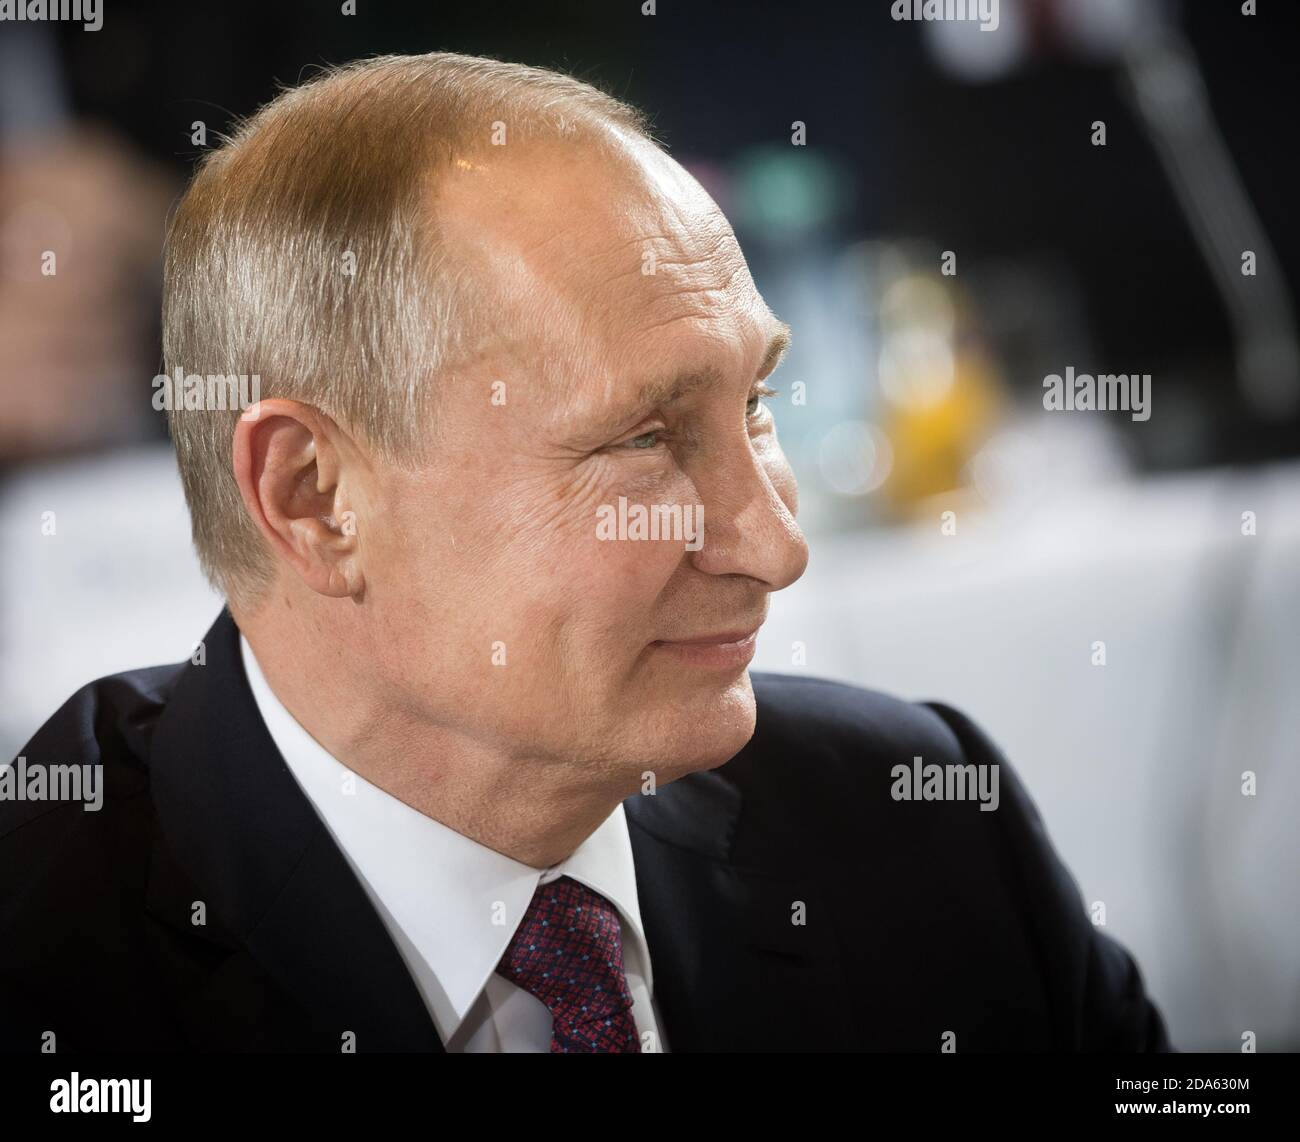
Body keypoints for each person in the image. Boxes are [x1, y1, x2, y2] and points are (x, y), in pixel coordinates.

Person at [0, 52, 1170, 1053]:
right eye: (644, 438)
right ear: (314, 498)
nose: (775, 542)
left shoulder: (916, 822)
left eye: (756, 403)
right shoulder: (53, 958)